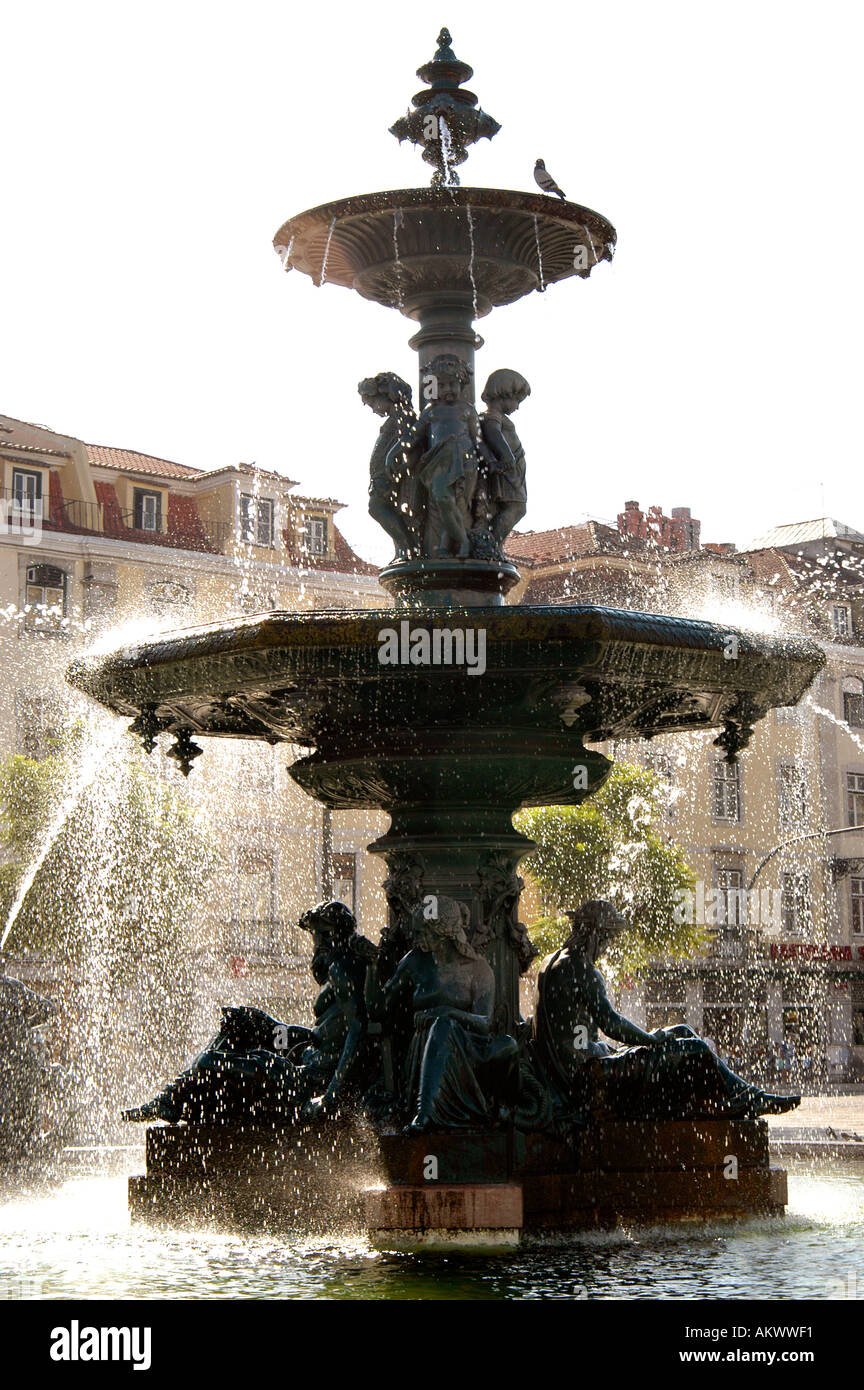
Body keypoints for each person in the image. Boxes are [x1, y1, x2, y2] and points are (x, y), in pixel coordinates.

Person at [533, 901, 800, 1121]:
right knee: (692, 1049)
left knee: (682, 1031)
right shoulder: (583, 969)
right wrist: (651, 1039)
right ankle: (744, 1100)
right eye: (607, 939)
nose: (607, 947)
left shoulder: (553, 961)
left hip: (574, 1069)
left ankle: (742, 1097)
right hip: (586, 1077)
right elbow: (611, 1024)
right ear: (594, 934)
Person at [122, 901, 375, 1126]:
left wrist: (329, 1098)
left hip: (307, 1079)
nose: (314, 947)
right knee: (242, 1023)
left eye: (317, 938)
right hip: (305, 1050)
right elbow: (334, 1032)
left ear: (330, 937)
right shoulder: (340, 967)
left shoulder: (341, 971)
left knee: (208, 1061)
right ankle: (168, 1099)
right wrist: (270, 1025)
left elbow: (358, 1029)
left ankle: (171, 1100)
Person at [367, 896, 518, 1132]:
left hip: (467, 1052)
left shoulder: (478, 970)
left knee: (445, 1025)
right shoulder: (414, 961)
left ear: (442, 932)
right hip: (423, 1053)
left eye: (421, 932)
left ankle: (426, 1114)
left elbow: (484, 1024)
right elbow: (378, 1009)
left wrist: (447, 1013)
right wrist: (371, 967)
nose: (414, 938)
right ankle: (424, 1113)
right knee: (441, 1026)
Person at [391, 355, 484, 558]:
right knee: (443, 499)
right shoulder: (431, 410)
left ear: (461, 383)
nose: (448, 390)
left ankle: (445, 546)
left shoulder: (467, 410)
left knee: (459, 505)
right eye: (441, 385)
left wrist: (492, 461)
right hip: (438, 463)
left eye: (452, 384)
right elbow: (414, 436)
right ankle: (463, 541)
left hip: (465, 462)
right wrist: (394, 452)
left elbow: (479, 442)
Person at [359, 372, 418, 559]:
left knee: (377, 507)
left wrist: (392, 458)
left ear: (386, 397)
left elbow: (408, 441)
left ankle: (407, 546)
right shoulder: (396, 417)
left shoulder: (404, 415)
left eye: (373, 404)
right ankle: (403, 548)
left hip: (392, 477)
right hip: (383, 477)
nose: (373, 410)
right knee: (386, 510)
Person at [479, 368, 530, 549]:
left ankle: (495, 545)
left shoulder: (497, 416)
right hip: (507, 469)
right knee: (517, 507)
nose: (517, 407)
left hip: (513, 469)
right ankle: (491, 544)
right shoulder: (491, 415)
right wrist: (506, 454)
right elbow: (493, 433)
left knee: (510, 508)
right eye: (516, 401)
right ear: (504, 394)